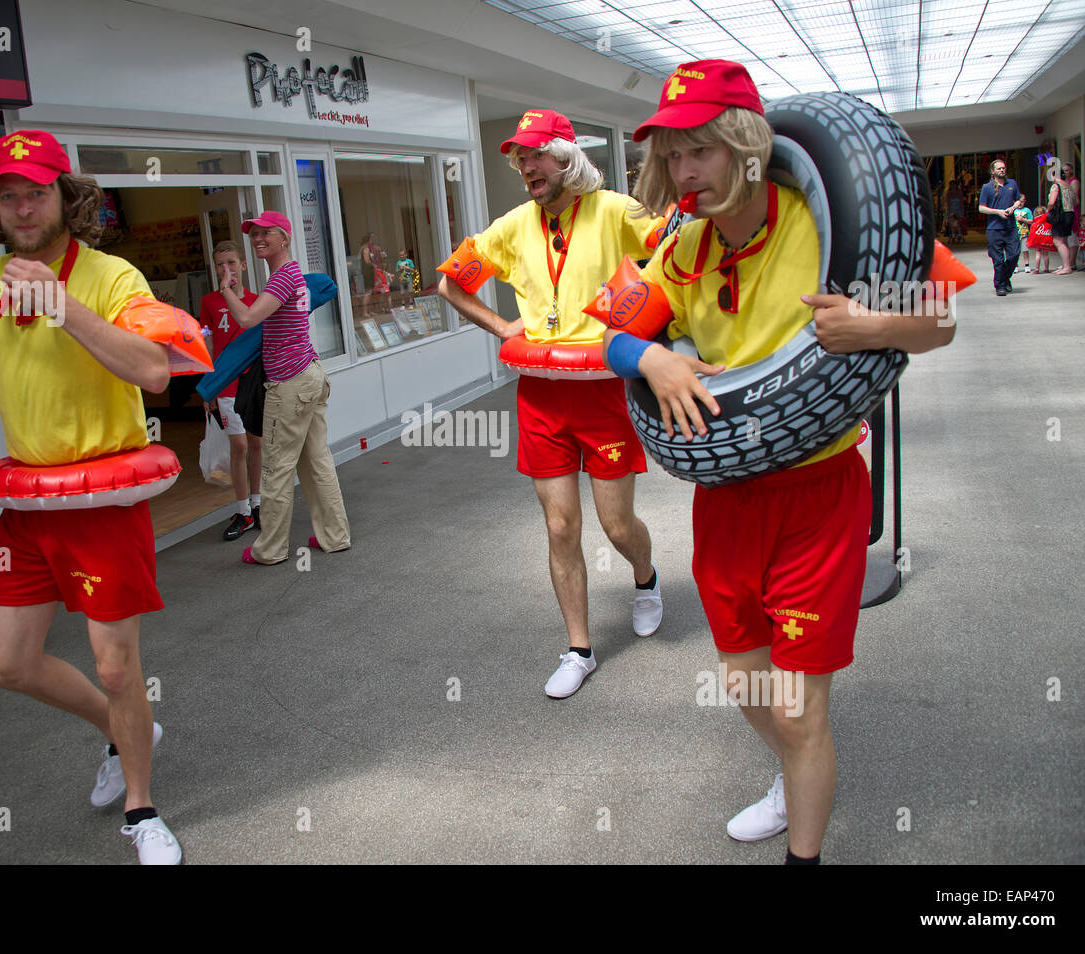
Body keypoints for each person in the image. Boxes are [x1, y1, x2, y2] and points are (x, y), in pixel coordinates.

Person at [604, 60, 956, 862]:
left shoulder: (825, 219)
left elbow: (942, 319)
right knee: (744, 683)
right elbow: (615, 332)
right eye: (673, 156)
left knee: (799, 708)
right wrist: (650, 362)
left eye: (702, 150)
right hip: (726, 497)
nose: (686, 173)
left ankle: (806, 840)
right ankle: (792, 767)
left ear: (746, 144)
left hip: (818, 490)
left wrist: (872, 326)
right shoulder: (682, 247)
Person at [0, 130, 187, 863]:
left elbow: (155, 370)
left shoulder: (111, 276)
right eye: (8, 195)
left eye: (37, 191)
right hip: (30, 508)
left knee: (119, 666)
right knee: (8, 664)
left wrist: (62, 305)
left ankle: (142, 807)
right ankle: (126, 727)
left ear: (68, 197)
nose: (22, 206)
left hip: (103, 501)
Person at [438, 108, 666, 699]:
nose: (525, 167)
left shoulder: (615, 209)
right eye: (518, 158)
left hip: (603, 392)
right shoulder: (513, 225)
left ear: (566, 157)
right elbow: (450, 281)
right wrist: (502, 328)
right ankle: (578, 648)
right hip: (541, 396)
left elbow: (679, 246)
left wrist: (642, 315)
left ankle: (645, 578)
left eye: (535, 155)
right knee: (561, 523)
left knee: (617, 525)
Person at [222, 211, 350, 565]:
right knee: (316, 461)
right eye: (254, 234)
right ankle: (334, 535)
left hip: (290, 384)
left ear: (284, 238)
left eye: (266, 233)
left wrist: (227, 292)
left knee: (276, 468)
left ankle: (271, 549)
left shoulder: (282, 277)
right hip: (310, 374)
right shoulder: (292, 276)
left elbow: (247, 319)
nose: (258, 239)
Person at [198, 240, 262, 540]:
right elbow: (206, 342)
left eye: (232, 263)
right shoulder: (209, 302)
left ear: (244, 265)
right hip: (226, 384)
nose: (227, 270)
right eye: (220, 265)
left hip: (254, 383)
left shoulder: (258, 299)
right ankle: (243, 509)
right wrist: (208, 385)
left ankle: (259, 504)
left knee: (257, 444)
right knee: (239, 447)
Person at [976, 158, 1023, 295]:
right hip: (994, 228)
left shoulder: (1012, 184)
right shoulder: (987, 188)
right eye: (999, 168)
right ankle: (1000, 286)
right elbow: (981, 208)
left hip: (1010, 227)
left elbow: (1019, 199)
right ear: (993, 171)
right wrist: (998, 212)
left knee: (1014, 254)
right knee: (998, 260)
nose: (1002, 170)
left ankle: (1004, 277)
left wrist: (1013, 207)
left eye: (1003, 168)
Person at [1045, 162, 1076, 275]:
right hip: (1070, 214)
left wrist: (1048, 210)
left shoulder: (1055, 186)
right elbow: (1076, 201)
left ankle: (1067, 267)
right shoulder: (1068, 186)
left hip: (1060, 215)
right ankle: (1066, 265)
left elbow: (1052, 202)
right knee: (1064, 240)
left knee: (1058, 240)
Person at [1029, 206, 1053, 273]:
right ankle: (1046, 268)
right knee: (1046, 254)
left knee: (1038, 253)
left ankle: (1037, 269)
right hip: (1045, 239)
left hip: (1037, 239)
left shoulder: (1035, 222)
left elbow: (1032, 232)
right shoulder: (1047, 222)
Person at [1014, 201, 1033, 272]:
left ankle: (1027, 265)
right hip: (1015, 233)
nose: (1020, 204)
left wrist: (1023, 219)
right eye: (1018, 202)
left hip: (1024, 233)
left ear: (1025, 202)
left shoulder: (1027, 210)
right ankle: (1015, 266)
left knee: (1025, 250)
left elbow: (1031, 221)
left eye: (1022, 202)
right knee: (1015, 251)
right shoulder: (1013, 210)